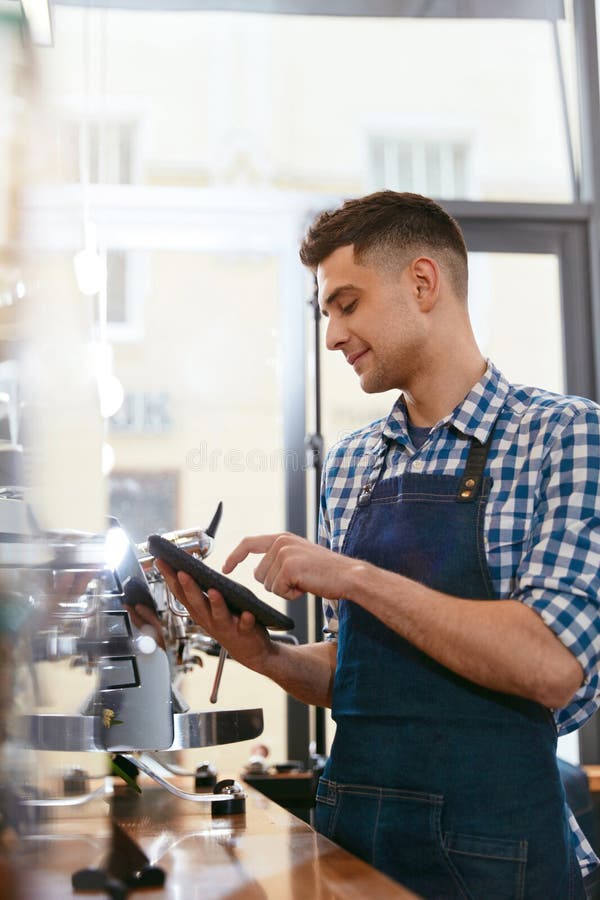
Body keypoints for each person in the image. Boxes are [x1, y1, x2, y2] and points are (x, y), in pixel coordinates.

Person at [157, 191, 600, 899]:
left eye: (347, 303)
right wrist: (263, 655)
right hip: (355, 840)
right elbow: (359, 672)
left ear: (422, 284)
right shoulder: (355, 462)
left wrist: (355, 575)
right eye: (326, 312)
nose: (332, 335)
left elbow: (552, 665)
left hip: (500, 855)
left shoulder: (563, 436)